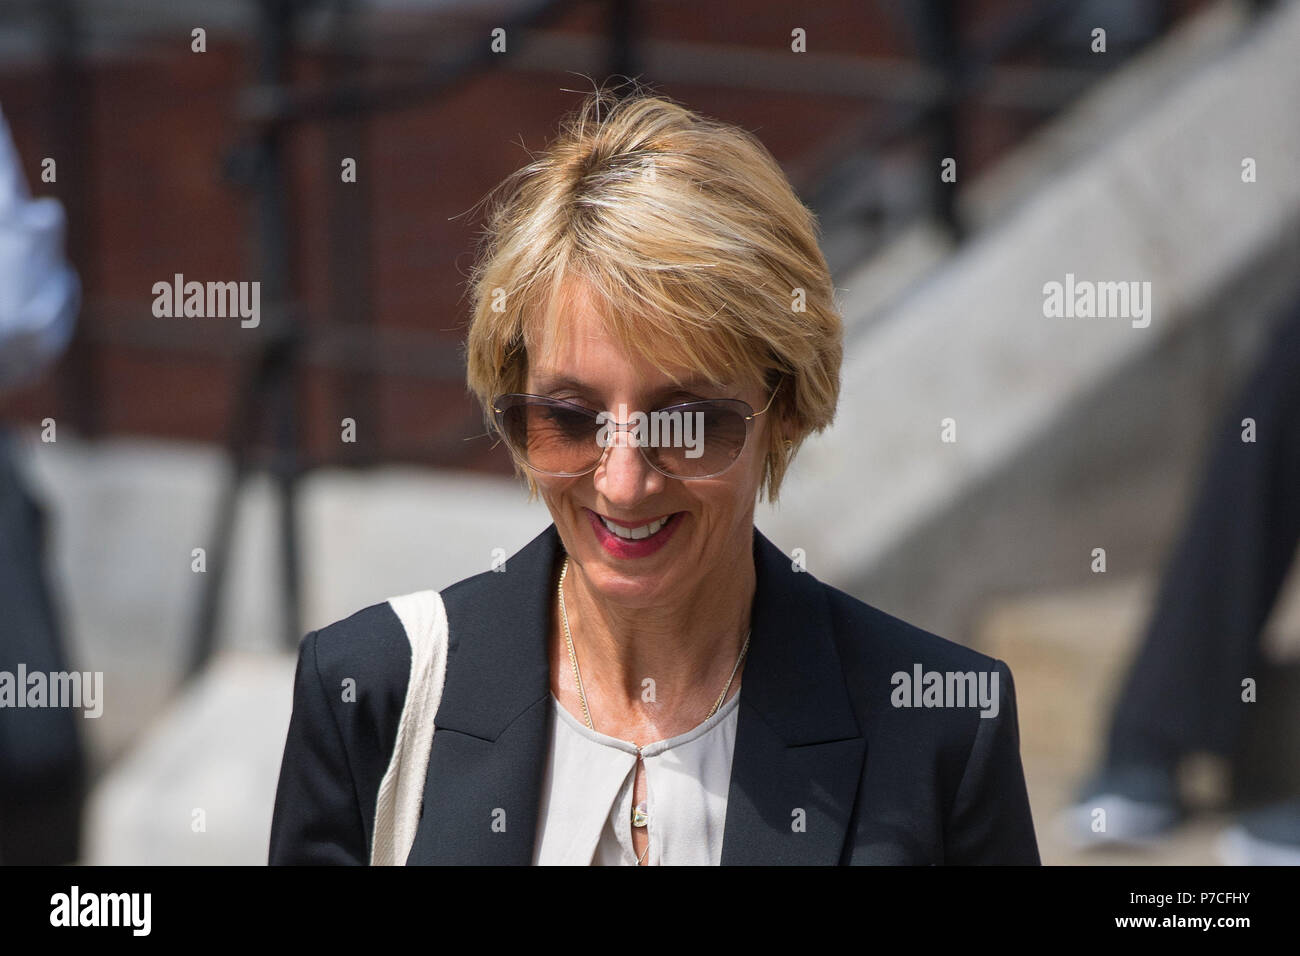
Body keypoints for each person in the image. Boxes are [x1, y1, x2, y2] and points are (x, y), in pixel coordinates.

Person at [269, 86, 1040, 865]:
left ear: (786, 409)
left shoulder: (938, 727)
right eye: (570, 418)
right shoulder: (371, 696)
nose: (624, 483)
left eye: (690, 423)